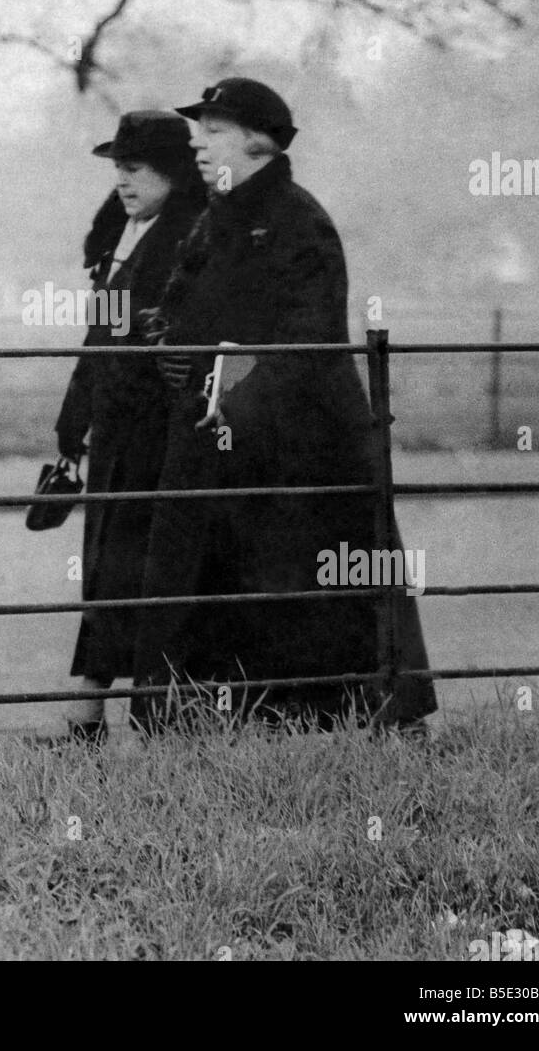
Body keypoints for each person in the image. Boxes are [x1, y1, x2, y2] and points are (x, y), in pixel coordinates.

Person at [131, 78, 437, 732]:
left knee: (312, 581)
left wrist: (235, 386)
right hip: (221, 439)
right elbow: (177, 308)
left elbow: (308, 337)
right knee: (214, 578)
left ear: (258, 141)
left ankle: (349, 713)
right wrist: (176, 354)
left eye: (212, 131)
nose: (197, 143)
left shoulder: (301, 221)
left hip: (303, 446)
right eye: (197, 131)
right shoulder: (216, 219)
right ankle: (215, 715)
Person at [53, 112, 207, 742]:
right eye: (117, 168)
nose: (122, 180)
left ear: (171, 172)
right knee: (109, 562)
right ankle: (89, 705)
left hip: (165, 429)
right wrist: (73, 421)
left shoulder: (191, 237)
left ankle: (118, 708)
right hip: (118, 428)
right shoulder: (120, 237)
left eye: (136, 168)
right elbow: (101, 336)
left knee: (142, 565)